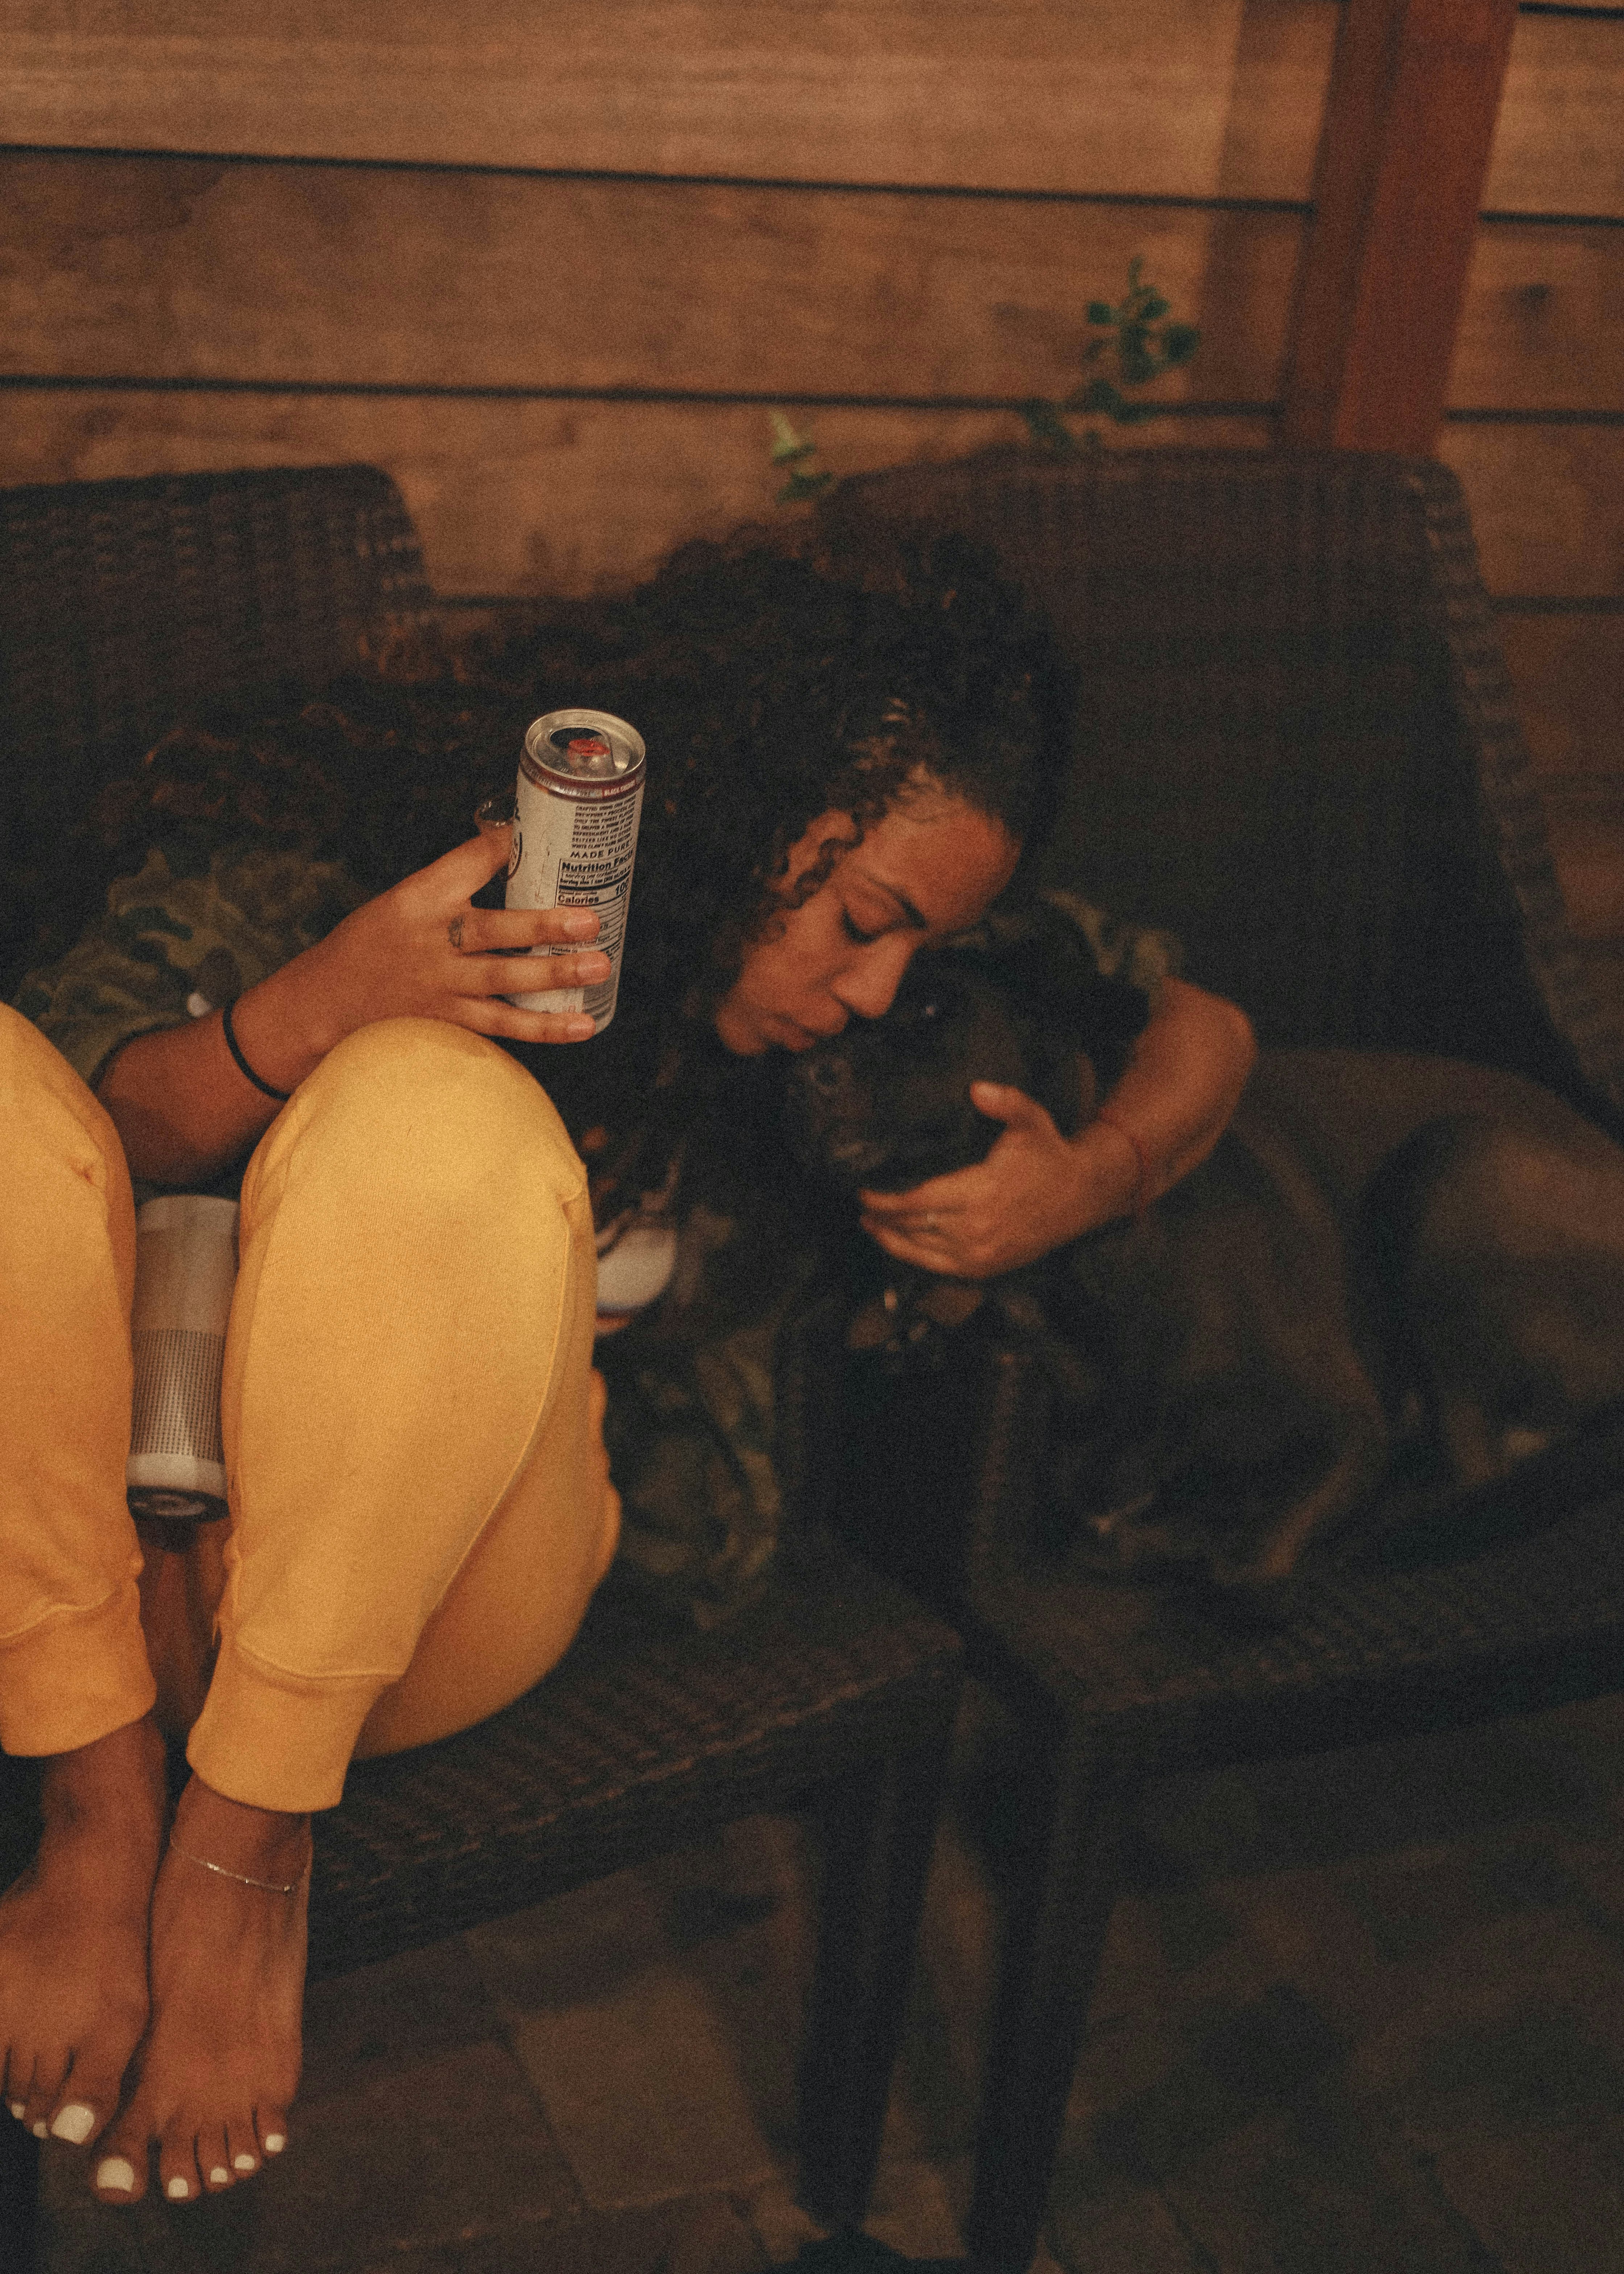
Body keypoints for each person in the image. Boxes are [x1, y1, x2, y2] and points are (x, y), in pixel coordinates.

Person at [0, 531, 1254, 2208]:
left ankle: (245, 1840)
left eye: (913, 948)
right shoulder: (367, 841)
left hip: (417, 1575)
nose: (878, 987)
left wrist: (1086, 1177)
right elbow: (70, 1150)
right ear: (747, 806)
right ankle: (99, 1787)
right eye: (862, 918)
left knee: (434, 1114)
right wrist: (304, 1012)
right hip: (84, 1530)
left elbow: (1208, 1026)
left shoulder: (873, 991)